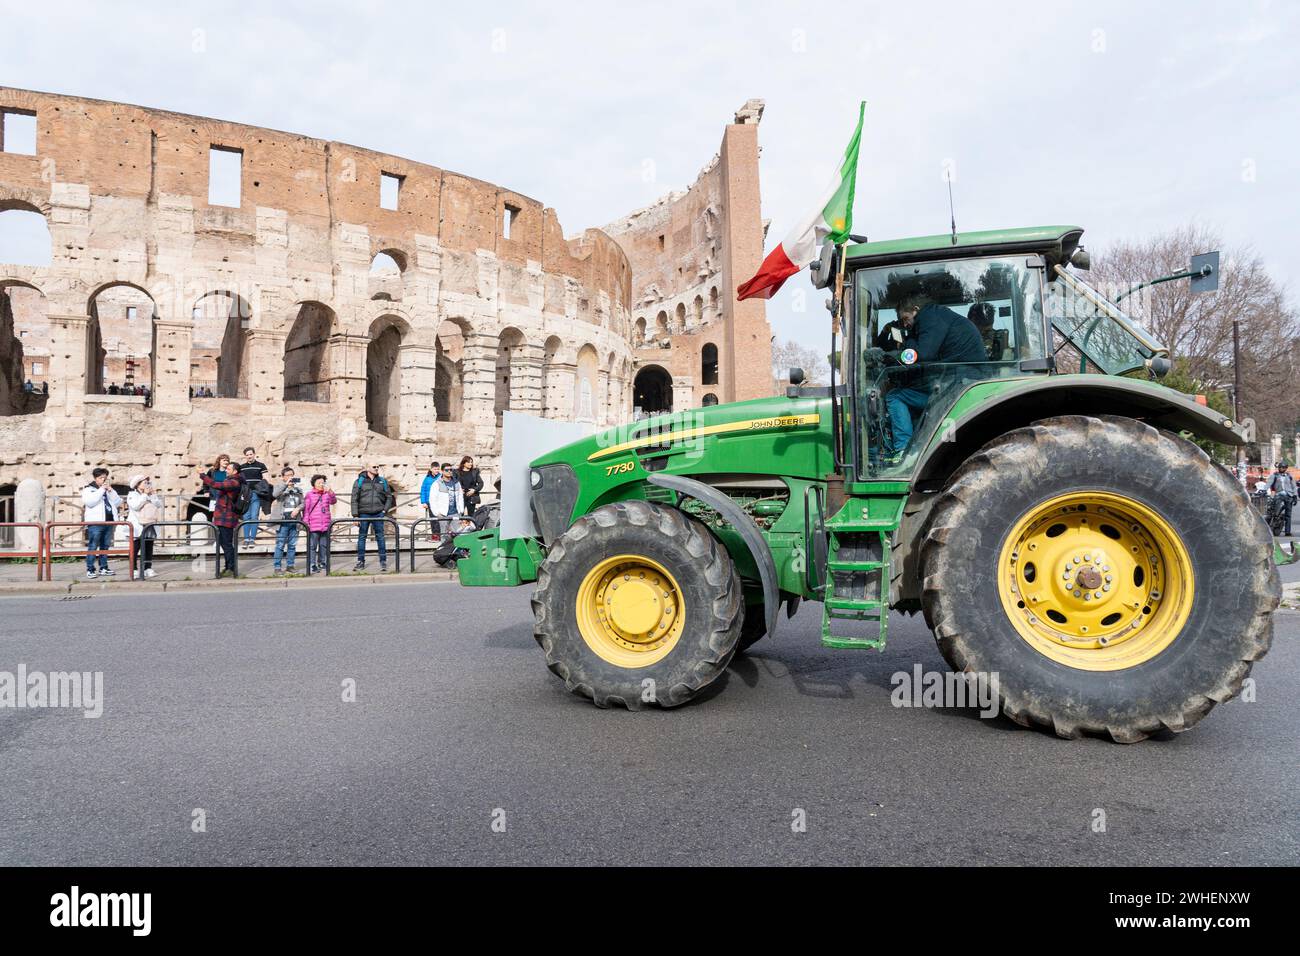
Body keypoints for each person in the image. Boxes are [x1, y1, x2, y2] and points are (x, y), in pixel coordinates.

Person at [883, 295, 988, 455]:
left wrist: (907, 340)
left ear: (916, 310)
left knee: (894, 396)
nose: (905, 324)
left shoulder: (929, 317)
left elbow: (923, 355)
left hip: (957, 384)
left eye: (906, 318)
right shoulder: (939, 316)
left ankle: (903, 451)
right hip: (961, 378)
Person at [200, 453, 243, 577]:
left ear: (234, 471)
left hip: (227, 517)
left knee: (227, 544)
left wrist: (202, 475)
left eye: (229, 469)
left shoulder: (234, 482)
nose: (226, 470)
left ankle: (232, 568)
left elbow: (216, 485)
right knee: (224, 543)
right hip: (223, 516)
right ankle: (228, 566)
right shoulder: (231, 480)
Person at [351, 463, 394, 572]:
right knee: (362, 538)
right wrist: (355, 515)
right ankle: (360, 561)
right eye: (374, 467)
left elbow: (389, 496)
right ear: (368, 468)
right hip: (363, 513)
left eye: (377, 467)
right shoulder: (359, 481)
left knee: (380, 537)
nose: (376, 468)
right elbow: (354, 499)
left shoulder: (382, 481)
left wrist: (385, 510)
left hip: (378, 513)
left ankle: (383, 561)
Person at [80, 467, 122, 579]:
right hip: (96, 522)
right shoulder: (88, 489)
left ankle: (103, 567)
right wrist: (102, 490)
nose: (103, 480)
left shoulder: (107, 490)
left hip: (108, 521)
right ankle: (90, 569)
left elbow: (118, 502)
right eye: (101, 478)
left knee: (105, 545)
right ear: (95, 478)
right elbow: (90, 502)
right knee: (93, 545)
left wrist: (111, 491)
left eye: (105, 478)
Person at [126, 474, 163, 579]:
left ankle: (147, 568)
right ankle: (133, 569)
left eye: (148, 482)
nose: (147, 484)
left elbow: (158, 504)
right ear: (138, 485)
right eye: (144, 482)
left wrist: (153, 495)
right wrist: (144, 495)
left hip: (149, 525)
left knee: (148, 547)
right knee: (135, 548)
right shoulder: (132, 494)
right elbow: (136, 506)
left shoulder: (149, 494)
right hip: (137, 526)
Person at [271, 466, 305, 575]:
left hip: (295, 521)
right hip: (283, 521)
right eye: (288, 475)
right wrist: (285, 485)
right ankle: (277, 567)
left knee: (292, 545)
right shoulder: (279, 487)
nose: (290, 477)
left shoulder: (298, 490)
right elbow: (274, 494)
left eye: (292, 475)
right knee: (280, 544)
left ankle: (290, 565)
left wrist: (298, 508)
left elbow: (303, 502)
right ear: (283, 477)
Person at [237, 446, 270, 548]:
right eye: (247, 455)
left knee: (254, 516)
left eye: (251, 454)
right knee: (246, 517)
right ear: (245, 456)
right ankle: (246, 539)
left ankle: (252, 539)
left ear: (254, 454)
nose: (249, 456)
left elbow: (266, 479)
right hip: (245, 494)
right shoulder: (241, 467)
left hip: (256, 493)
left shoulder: (261, 465)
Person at [303, 474, 336, 574]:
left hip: (325, 524)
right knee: (312, 546)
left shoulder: (327, 494)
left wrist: (331, 492)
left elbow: (333, 501)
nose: (321, 484)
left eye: (323, 482)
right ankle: (312, 564)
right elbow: (306, 510)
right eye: (319, 483)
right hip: (313, 524)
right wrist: (305, 523)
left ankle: (322, 562)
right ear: (314, 484)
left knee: (323, 545)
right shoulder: (309, 494)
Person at [429, 462, 466, 538]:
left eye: (450, 470)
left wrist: (461, 510)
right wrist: (437, 513)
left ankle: (456, 550)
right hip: (443, 514)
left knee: (457, 535)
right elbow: (432, 499)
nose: (449, 471)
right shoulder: (436, 484)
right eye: (446, 470)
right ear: (442, 471)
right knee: (444, 536)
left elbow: (460, 497)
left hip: (455, 512)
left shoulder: (456, 483)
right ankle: (444, 550)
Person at [1268, 461, 1297, 536]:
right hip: (1278, 495)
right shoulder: (1274, 475)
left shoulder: (1290, 476)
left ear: (1286, 468)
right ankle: (1274, 524)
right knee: (1275, 512)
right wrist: (1263, 490)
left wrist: (1295, 496)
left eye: (1283, 467)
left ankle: (1287, 532)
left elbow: (1294, 486)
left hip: (1289, 496)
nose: (1281, 468)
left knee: (1288, 515)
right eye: (1280, 467)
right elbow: (1269, 483)